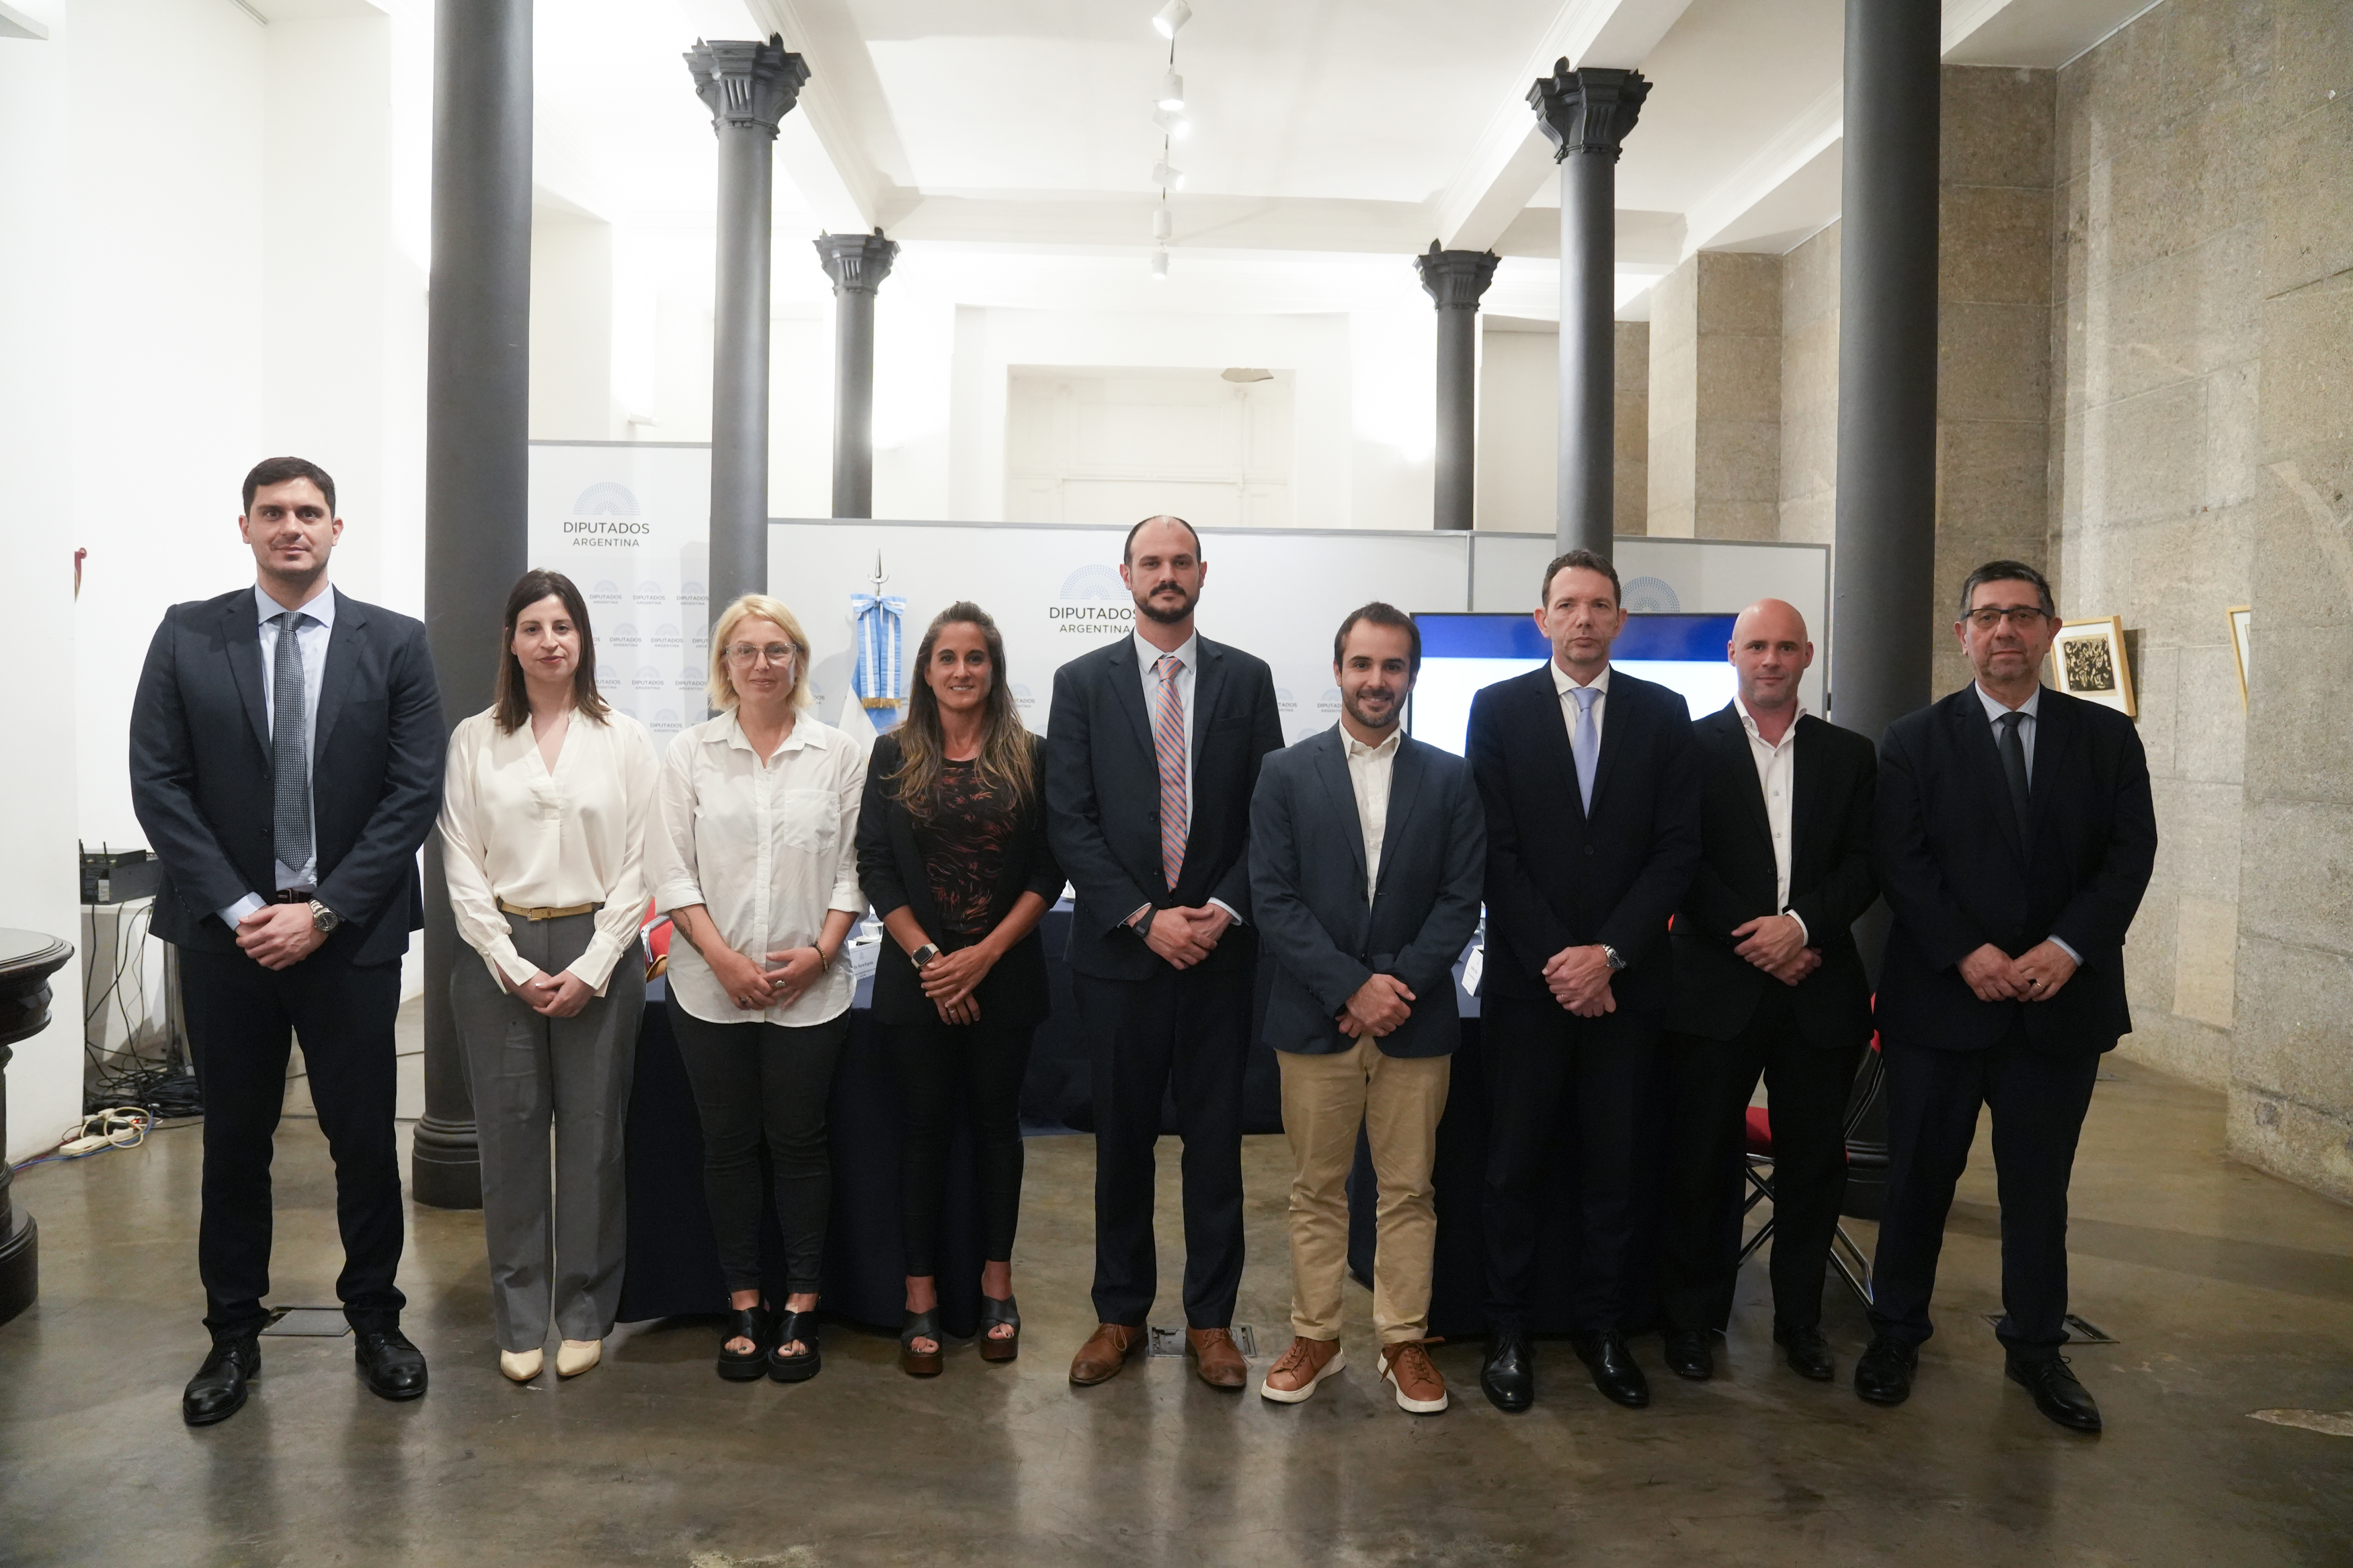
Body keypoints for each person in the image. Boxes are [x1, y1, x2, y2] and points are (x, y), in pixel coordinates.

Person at [130, 456, 444, 1426]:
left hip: (349, 938)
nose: (292, 527)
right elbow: (159, 785)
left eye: (309, 512)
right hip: (226, 942)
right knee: (233, 1141)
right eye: (274, 512)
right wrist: (237, 907)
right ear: (246, 528)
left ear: (336, 529)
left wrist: (324, 910)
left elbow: (411, 794)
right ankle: (230, 1332)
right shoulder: (189, 635)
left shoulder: (395, 644)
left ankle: (377, 1319)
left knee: (362, 1141)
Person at [1856, 561, 2156, 1434]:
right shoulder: (1913, 739)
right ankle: (1894, 1332)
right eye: (1988, 617)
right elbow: (1901, 863)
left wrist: (2067, 947)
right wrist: (1966, 953)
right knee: (1918, 1180)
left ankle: (2035, 1348)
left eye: (2023, 616)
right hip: (1941, 1008)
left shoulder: (2105, 740)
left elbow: (2127, 858)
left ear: (2052, 631)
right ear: (1963, 635)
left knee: (2039, 1190)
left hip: (2058, 1006)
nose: (2006, 632)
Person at [1046, 515, 1283, 1390]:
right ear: (1126, 575)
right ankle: (1119, 1316)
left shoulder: (1248, 681)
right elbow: (1068, 818)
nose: (1167, 573)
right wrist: (1147, 918)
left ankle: (1212, 1323)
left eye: (1181, 561)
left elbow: (1271, 812)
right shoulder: (1082, 684)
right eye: (1152, 561)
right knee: (1123, 1147)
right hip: (1119, 957)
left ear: (1203, 572)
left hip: (1220, 957)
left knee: (1216, 1147)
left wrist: (1218, 909)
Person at [1466, 548, 1700, 1412]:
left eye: (1599, 605)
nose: (1583, 620)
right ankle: (1506, 1331)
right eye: (1566, 605)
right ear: (1540, 618)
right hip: (1530, 988)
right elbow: (1494, 850)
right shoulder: (1495, 711)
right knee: (1513, 1168)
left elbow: (1677, 849)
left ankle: (1604, 1329)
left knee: (1614, 1167)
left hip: (1627, 989)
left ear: (1619, 620)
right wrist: (1561, 960)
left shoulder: (1663, 712)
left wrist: (1608, 955)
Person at [1248, 604, 1485, 1415]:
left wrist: (1390, 987)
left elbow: (1460, 900)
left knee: (1408, 1188)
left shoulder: (1451, 778)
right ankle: (1314, 1335)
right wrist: (1351, 986)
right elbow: (1272, 898)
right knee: (1315, 1188)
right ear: (1338, 669)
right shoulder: (1283, 773)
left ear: (1410, 676)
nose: (1375, 680)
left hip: (1414, 1023)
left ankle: (1401, 1340)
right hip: (1315, 1018)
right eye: (1361, 664)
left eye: (1391, 666)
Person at [438, 569, 657, 1385]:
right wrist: (508, 961)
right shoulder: (475, 740)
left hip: (599, 943)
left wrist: (597, 964)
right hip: (501, 955)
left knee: (595, 1140)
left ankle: (584, 1310)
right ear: (511, 641)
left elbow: (643, 861)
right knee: (511, 1142)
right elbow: (459, 861)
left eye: (563, 625)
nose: (550, 640)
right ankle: (521, 1315)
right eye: (534, 626)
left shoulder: (625, 738)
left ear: (583, 638)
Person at [1656, 599, 1877, 1385]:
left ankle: (1800, 1321)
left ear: (1807, 654)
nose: (1771, 659)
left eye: (1785, 646)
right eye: (1756, 645)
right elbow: (1677, 857)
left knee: (1813, 1164)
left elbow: (1864, 861)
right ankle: (1692, 1318)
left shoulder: (1850, 754)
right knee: (1699, 1161)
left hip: (1817, 988)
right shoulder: (1685, 748)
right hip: (1713, 983)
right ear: (1731, 653)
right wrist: (1758, 937)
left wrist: (1800, 928)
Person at [649, 594, 867, 1385]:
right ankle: (744, 1301)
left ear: (798, 661)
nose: (762, 663)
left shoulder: (838, 753)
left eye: (778, 649)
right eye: (746, 650)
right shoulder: (688, 753)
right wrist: (724, 959)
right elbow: (670, 869)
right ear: (724, 664)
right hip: (711, 988)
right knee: (728, 1145)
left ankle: (801, 1303)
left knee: (800, 1144)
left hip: (813, 988)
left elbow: (854, 867)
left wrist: (818, 951)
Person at [856, 602, 1062, 1376]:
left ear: (993, 669)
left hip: (1006, 978)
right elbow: (875, 864)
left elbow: (1050, 867)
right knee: (922, 1134)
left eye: (975, 658)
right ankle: (920, 1296)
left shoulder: (1032, 756)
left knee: (995, 1132)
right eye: (946, 657)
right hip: (918, 982)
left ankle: (997, 1287)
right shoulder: (889, 755)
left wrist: (981, 958)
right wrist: (932, 961)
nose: (961, 671)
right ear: (926, 670)